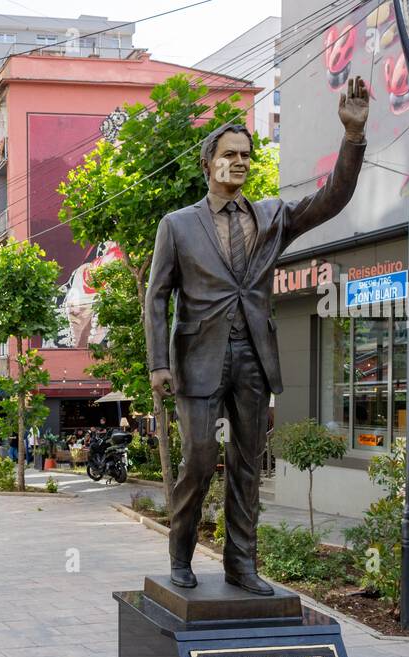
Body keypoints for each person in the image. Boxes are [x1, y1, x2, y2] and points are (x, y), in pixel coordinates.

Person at [146, 77, 368, 594]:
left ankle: (241, 565)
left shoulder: (272, 217)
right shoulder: (177, 225)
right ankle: (180, 554)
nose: (240, 162)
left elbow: (331, 199)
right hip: (198, 357)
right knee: (200, 458)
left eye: (246, 155)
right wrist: (158, 363)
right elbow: (157, 297)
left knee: (249, 464)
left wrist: (352, 136)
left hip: (254, 355)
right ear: (208, 163)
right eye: (230, 154)